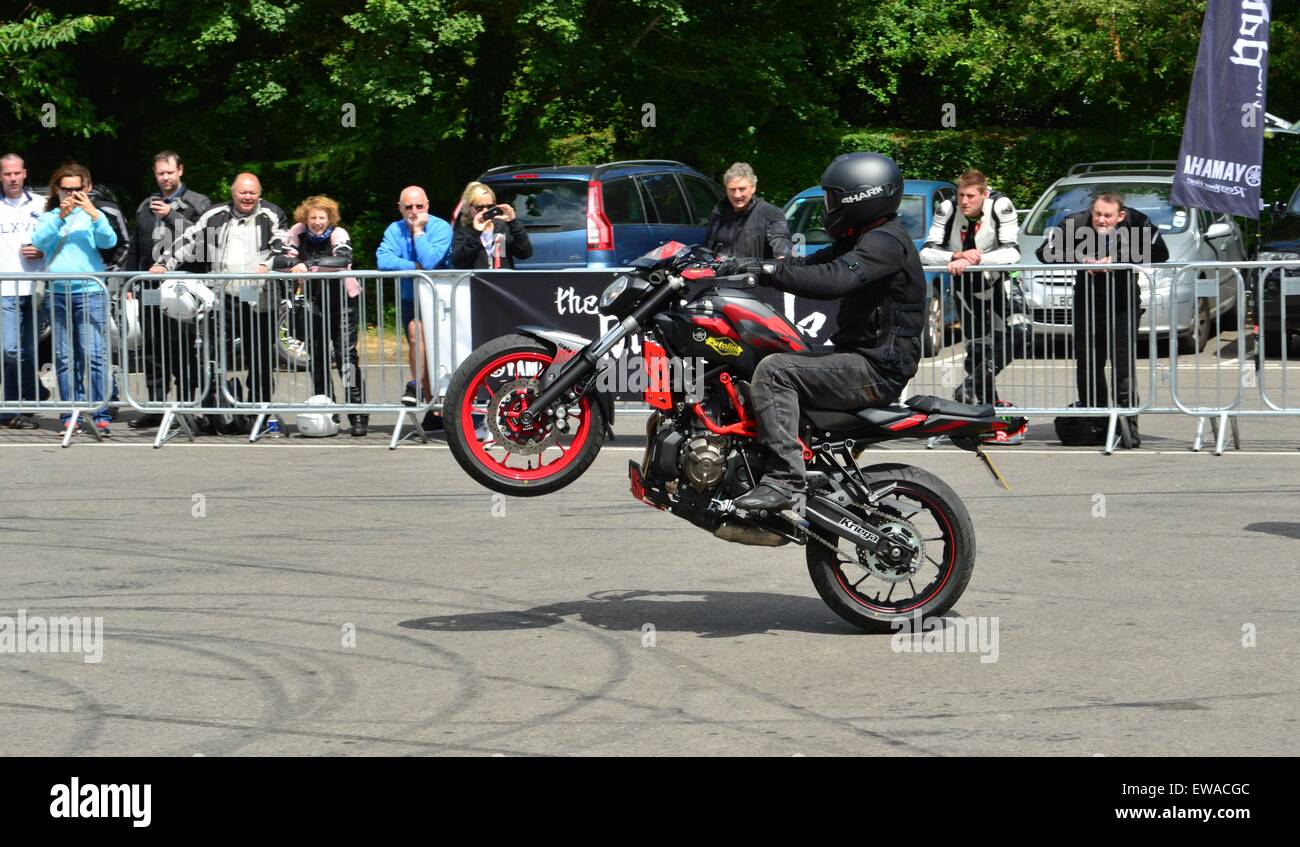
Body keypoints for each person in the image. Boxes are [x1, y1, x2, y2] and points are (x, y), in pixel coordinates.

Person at [718, 152, 927, 511]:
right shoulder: (865, 236)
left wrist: (769, 270)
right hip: (863, 360)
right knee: (765, 358)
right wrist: (746, 265)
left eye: (834, 199)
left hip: (876, 370)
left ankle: (785, 479)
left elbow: (835, 279)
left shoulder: (885, 242)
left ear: (861, 198)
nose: (829, 207)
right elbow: (808, 264)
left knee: (774, 372)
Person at [1036, 191, 1169, 447]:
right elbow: (1045, 252)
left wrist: (1118, 260)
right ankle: (1095, 423)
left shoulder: (1137, 221)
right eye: (1097, 214)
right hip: (1087, 301)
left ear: (1120, 215)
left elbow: (1161, 252)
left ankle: (1127, 428)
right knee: (1088, 363)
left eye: (1108, 215)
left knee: (1123, 366)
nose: (1101, 220)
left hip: (1123, 301)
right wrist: (1082, 259)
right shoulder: (1074, 222)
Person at [149, 172, 288, 410]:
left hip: (260, 298)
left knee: (260, 357)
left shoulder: (271, 214)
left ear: (259, 194)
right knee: (212, 353)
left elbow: (283, 245)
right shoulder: (215, 215)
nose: (247, 197)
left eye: (252, 193)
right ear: (233, 193)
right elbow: (188, 240)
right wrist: (163, 263)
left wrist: (269, 263)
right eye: (243, 192)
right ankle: (214, 408)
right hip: (223, 298)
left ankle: (259, 409)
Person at [919, 169, 1022, 405]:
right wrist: (956, 255)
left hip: (1000, 280)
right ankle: (986, 408)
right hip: (965, 285)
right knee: (977, 349)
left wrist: (975, 259)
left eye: (971, 196)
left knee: (1019, 334)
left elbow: (1012, 252)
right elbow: (926, 252)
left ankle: (969, 385)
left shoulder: (1001, 205)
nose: (964, 201)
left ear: (984, 194)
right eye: (961, 195)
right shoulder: (947, 208)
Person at [125, 151, 211, 429]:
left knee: (182, 347)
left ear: (180, 171)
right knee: (152, 347)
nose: (165, 178)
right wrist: (129, 282)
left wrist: (172, 215)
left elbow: (205, 243)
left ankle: (185, 406)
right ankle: (156, 406)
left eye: (169, 172)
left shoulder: (198, 203)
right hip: (149, 286)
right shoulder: (144, 206)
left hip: (183, 288)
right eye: (160, 173)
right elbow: (136, 245)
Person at [31, 163, 118, 437]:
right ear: (56, 189)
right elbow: (39, 241)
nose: (71, 194)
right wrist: (60, 218)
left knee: (94, 355)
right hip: (58, 294)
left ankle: (100, 414)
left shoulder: (94, 215)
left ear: (87, 188)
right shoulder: (49, 218)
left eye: (77, 189)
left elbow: (109, 242)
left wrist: (94, 214)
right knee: (64, 358)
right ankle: (71, 414)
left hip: (90, 293)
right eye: (66, 189)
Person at [279, 194, 368, 436]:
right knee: (316, 356)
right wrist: (293, 263)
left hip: (342, 302)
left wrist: (308, 266)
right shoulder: (297, 232)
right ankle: (326, 409)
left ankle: (358, 413)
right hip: (312, 300)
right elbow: (281, 257)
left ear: (330, 218)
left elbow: (343, 257)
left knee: (346, 357)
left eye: (322, 217)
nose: (317, 222)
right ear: (305, 219)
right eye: (312, 218)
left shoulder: (339, 233)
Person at [375, 185, 452, 427]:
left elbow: (429, 261)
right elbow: (383, 260)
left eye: (419, 206)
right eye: (408, 207)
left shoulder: (440, 228)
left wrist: (419, 232)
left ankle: (440, 402)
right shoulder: (394, 229)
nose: (414, 211)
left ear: (427, 206)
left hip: (441, 298)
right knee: (417, 340)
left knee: (442, 352)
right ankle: (429, 403)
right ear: (400, 208)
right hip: (412, 298)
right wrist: (413, 266)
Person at [0, 153, 44, 429]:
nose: (13, 178)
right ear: (0, 176)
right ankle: (15, 405)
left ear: (25, 173)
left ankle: (31, 395)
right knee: (10, 349)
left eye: (17, 173)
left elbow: (56, 240)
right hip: (5, 288)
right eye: (7, 174)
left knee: (28, 349)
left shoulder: (41, 204)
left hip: (37, 285)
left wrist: (42, 251)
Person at [703, 162, 792, 260]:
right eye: (732, 189)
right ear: (726, 189)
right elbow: (707, 249)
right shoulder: (719, 212)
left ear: (753, 187)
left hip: (756, 274)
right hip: (720, 274)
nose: (737, 195)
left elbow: (782, 244)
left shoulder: (770, 212)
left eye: (742, 189)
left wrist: (781, 259)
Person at [450, 181, 532, 270]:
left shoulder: (502, 228)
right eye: (479, 208)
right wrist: (475, 233)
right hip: (477, 282)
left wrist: (513, 222)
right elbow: (458, 263)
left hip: (502, 281)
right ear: (469, 209)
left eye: (490, 207)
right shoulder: (464, 232)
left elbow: (524, 253)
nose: (485, 211)